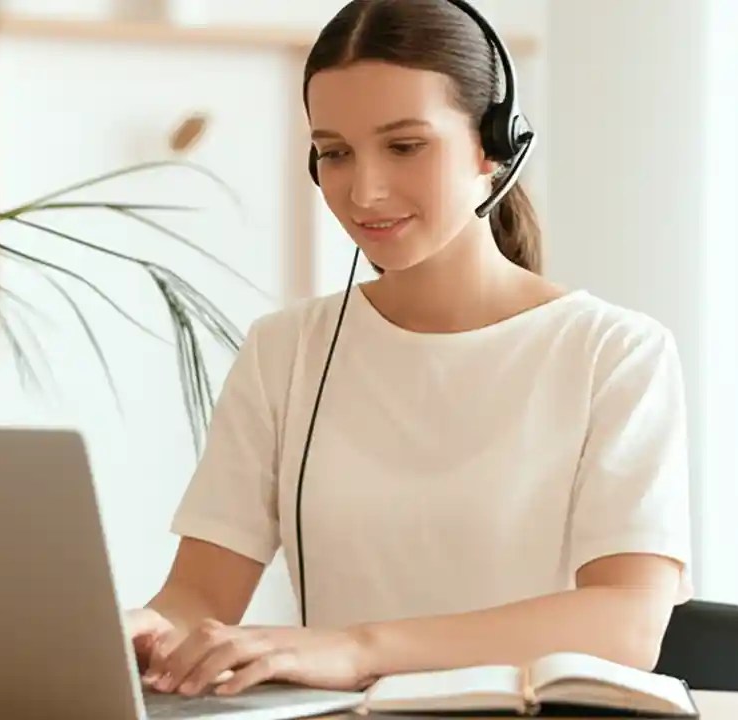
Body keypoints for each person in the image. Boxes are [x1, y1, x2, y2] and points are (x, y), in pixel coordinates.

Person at [128, 0, 693, 699]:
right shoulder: (286, 351)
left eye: (404, 146)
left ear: (495, 147)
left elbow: (626, 622)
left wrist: (359, 649)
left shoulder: (614, 352)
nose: (365, 191)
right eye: (336, 152)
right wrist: (142, 630)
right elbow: (198, 596)